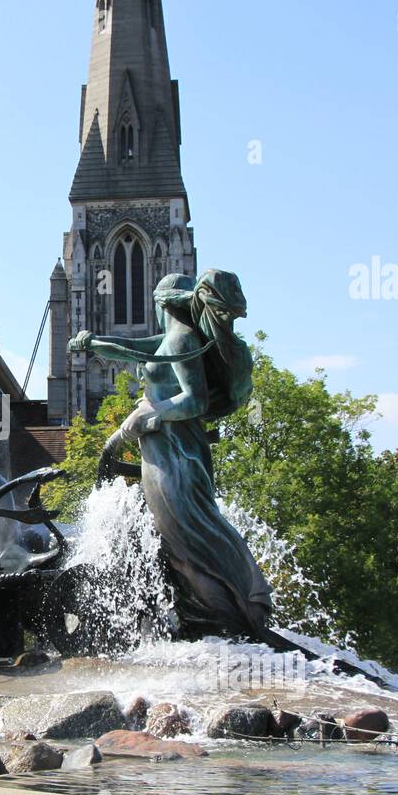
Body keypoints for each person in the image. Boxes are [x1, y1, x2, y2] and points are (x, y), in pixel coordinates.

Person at [69, 269, 273, 641]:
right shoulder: (175, 339)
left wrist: (149, 415)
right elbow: (134, 348)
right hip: (168, 451)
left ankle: (234, 613)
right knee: (183, 536)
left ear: (163, 305)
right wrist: (94, 343)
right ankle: (214, 616)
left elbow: (194, 401)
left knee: (188, 536)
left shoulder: (180, 342)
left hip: (176, 455)